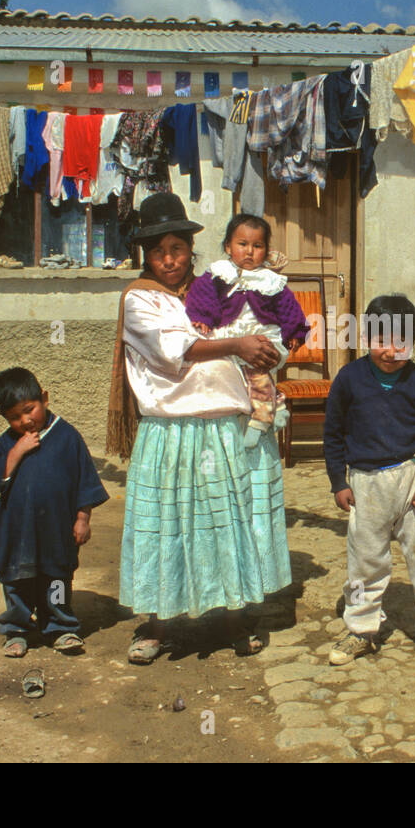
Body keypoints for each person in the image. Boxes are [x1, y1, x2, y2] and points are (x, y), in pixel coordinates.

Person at [106, 193, 292, 663]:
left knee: (225, 527)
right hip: (172, 433)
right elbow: (175, 348)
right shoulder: (139, 300)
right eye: (158, 251)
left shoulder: (217, 288)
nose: (169, 261)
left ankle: (233, 616)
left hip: (226, 427)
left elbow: (264, 319)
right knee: (168, 527)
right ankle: (157, 622)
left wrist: (265, 350)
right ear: (145, 256)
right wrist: (238, 344)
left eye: (178, 249)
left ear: (192, 250)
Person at [322, 295, 415, 673]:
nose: (391, 351)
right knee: (364, 562)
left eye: (402, 342)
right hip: (365, 484)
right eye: (382, 340)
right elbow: (333, 434)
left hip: (411, 479)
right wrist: (339, 481)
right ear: (366, 337)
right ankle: (361, 629)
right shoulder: (350, 380)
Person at [0, 367, 108, 657]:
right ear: (5, 418)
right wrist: (18, 451)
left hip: (56, 529)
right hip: (18, 531)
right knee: (18, 580)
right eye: (15, 417)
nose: (26, 421)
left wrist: (82, 518)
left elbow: (84, 481)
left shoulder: (67, 437)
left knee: (57, 580)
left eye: (30, 410)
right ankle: (17, 630)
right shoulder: (8, 441)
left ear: (45, 399)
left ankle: (61, 627)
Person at [185, 214, 311, 448]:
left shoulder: (271, 280)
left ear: (266, 250)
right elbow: (201, 296)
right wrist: (202, 318)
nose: (250, 251)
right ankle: (276, 404)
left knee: (257, 370)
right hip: (230, 334)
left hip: (262, 333)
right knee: (228, 373)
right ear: (228, 247)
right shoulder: (218, 273)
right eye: (242, 244)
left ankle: (262, 417)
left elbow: (288, 307)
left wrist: (294, 332)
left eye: (257, 246)